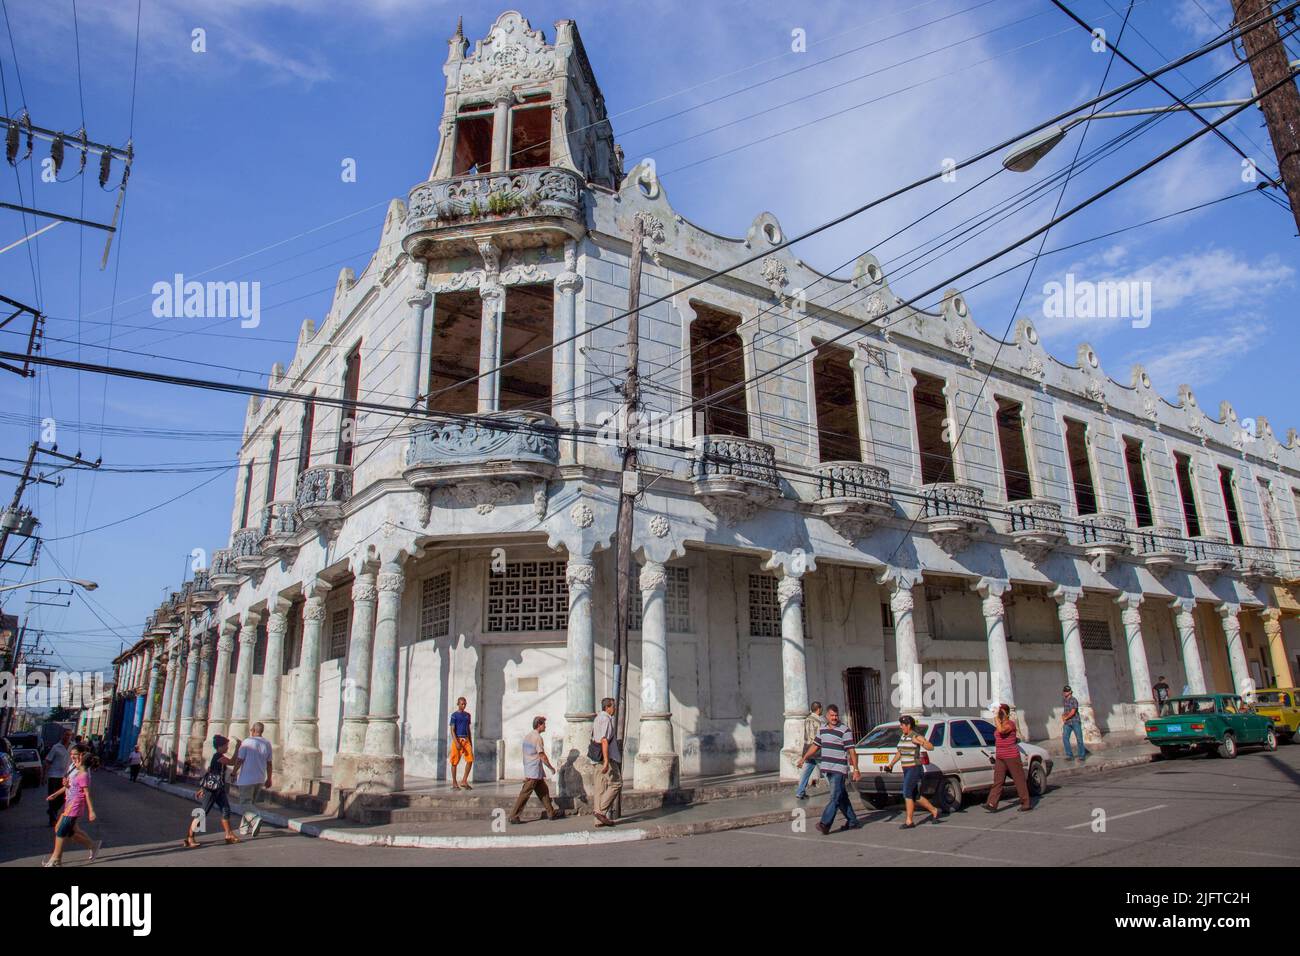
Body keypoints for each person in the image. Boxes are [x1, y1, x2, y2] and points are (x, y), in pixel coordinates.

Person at [799, 704, 860, 834]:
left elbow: (852, 751)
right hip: (827, 769)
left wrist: (856, 769)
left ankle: (825, 824)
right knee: (841, 796)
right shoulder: (822, 729)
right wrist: (804, 758)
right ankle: (853, 821)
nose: (834, 718)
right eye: (832, 715)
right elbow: (815, 747)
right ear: (827, 716)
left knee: (834, 798)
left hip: (839, 769)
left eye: (836, 715)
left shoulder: (845, 730)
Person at [43, 744, 102, 867]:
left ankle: (56, 859)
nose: (72, 757)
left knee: (61, 831)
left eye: (75, 755)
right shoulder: (73, 766)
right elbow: (70, 785)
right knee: (68, 831)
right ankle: (92, 845)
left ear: (81, 755)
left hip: (75, 804)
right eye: (71, 754)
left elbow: (86, 792)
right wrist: (56, 793)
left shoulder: (84, 772)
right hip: (69, 801)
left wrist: (91, 811)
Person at [885, 715, 943, 828]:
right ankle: (935, 810)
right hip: (906, 769)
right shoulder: (903, 736)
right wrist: (891, 764)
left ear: (908, 725)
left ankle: (909, 821)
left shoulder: (915, 736)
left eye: (902, 725)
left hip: (914, 768)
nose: (901, 727)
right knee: (915, 795)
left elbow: (931, 747)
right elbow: (900, 752)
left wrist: (919, 742)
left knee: (906, 792)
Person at [183, 735, 241, 848]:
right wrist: (238, 747)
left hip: (219, 789)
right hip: (212, 790)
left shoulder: (218, 757)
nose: (227, 748)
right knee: (202, 813)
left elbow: (209, 772)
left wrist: (202, 788)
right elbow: (233, 762)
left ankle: (228, 834)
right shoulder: (218, 757)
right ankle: (189, 837)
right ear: (220, 746)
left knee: (226, 809)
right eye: (226, 746)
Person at [509, 715, 564, 824]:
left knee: (543, 791)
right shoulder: (537, 738)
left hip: (532, 770)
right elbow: (542, 755)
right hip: (533, 771)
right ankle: (514, 816)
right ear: (539, 724)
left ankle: (551, 813)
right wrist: (551, 767)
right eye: (544, 724)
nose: (545, 726)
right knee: (525, 794)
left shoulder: (528, 736)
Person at [984, 704, 1032, 812]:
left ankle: (1025, 803)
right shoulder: (999, 723)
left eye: (1002, 712)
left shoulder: (1010, 724)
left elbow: (1001, 731)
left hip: (1011, 756)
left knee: (1019, 780)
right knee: (998, 781)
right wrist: (997, 716)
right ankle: (992, 803)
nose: (999, 714)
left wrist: (997, 716)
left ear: (1006, 713)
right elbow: (998, 730)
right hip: (1000, 757)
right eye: (999, 712)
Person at [232, 722, 273, 837]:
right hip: (259, 778)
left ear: (252, 730)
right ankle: (244, 828)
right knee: (250, 804)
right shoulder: (267, 744)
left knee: (245, 804)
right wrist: (269, 778)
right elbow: (269, 763)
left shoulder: (247, 742)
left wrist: (234, 772)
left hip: (246, 779)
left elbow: (239, 760)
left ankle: (255, 818)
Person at [591, 697, 622, 827]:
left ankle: (598, 821)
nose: (614, 709)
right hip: (606, 758)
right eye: (613, 706)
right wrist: (606, 761)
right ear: (607, 707)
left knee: (599, 788)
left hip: (596, 757)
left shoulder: (597, 718)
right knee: (616, 783)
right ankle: (600, 812)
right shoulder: (606, 719)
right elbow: (604, 740)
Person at [793, 701, 824, 800]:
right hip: (816, 748)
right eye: (821, 708)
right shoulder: (818, 721)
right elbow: (819, 737)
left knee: (806, 772)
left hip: (807, 748)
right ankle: (836, 790)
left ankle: (800, 792)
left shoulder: (807, 719)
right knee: (827, 771)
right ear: (818, 709)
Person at [43, 728, 73, 828]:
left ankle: (52, 810)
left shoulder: (73, 747)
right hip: (54, 775)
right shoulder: (56, 747)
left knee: (64, 797)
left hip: (66, 776)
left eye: (69, 735)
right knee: (53, 797)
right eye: (66, 735)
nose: (67, 737)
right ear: (62, 736)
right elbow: (48, 761)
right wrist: (44, 776)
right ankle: (52, 820)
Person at [448, 697, 474, 790]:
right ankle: (454, 783)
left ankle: (464, 780)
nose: (464, 705)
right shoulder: (454, 715)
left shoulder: (468, 715)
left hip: (466, 739)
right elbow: (452, 730)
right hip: (457, 740)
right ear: (458, 704)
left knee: (470, 759)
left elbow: (468, 729)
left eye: (465, 704)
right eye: (462, 704)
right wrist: (456, 742)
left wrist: (470, 741)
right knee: (454, 762)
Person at [1061, 685, 1088, 761]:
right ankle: (1069, 755)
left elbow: (1073, 711)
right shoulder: (1065, 700)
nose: (1065, 693)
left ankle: (1082, 756)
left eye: (1066, 691)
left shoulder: (1074, 700)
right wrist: (1063, 716)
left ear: (1070, 692)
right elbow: (1066, 711)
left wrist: (1066, 717)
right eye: (1064, 691)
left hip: (1075, 721)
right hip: (1067, 723)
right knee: (1065, 738)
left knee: (1079, 739)